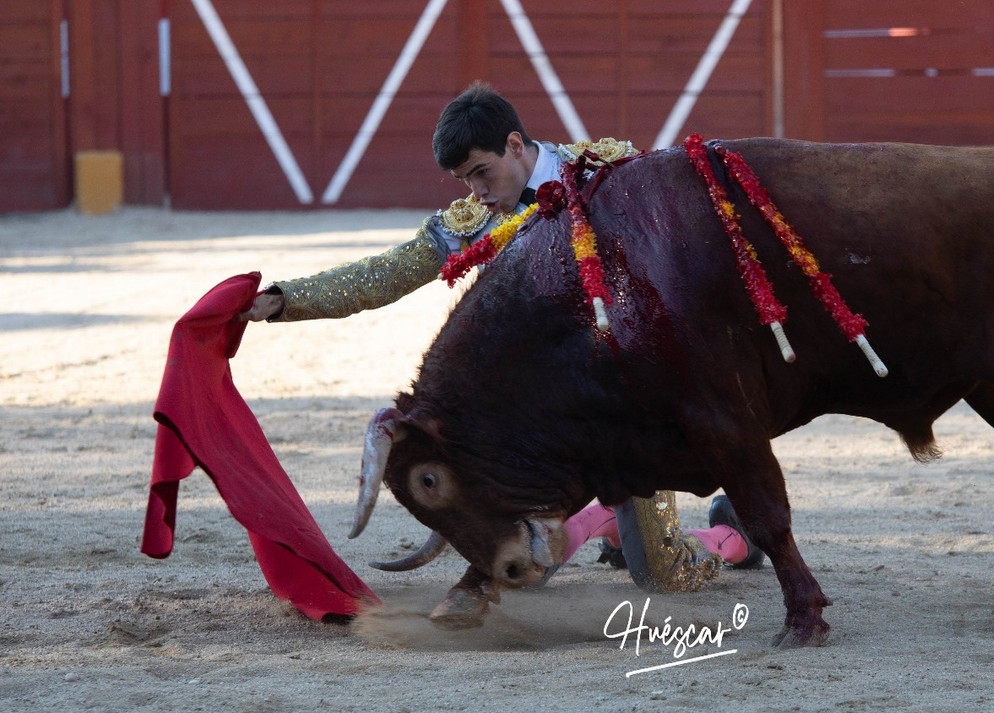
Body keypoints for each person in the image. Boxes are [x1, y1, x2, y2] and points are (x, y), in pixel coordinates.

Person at [239, 81, 763, 592]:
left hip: (628, 407)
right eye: (464, 180)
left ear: (514, 145)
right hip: (547, 424)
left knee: (664, 574)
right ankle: (599, 519)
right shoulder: (472, 220)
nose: (478, 192)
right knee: (520, 570)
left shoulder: (610, 174)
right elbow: (387, 273)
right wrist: (287, 298)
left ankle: (734, 536)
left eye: (482, 172)